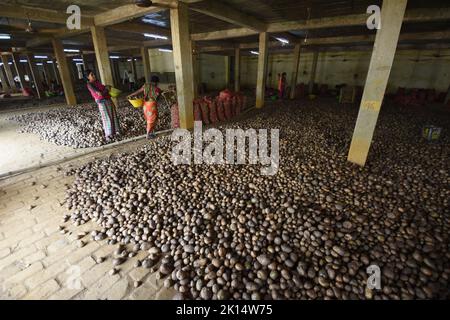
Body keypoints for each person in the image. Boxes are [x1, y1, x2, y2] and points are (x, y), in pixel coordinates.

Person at [85, 69, 120, 142]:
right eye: (91, 75)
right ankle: (108, 135)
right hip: (102, 101)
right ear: (88, 77)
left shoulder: (96, 82)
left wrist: (106, 87)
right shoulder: (90, 84)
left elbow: (103, 88)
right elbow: (100, 94)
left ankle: (116, 132)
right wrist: (107, 89)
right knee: (106, 117)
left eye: (93, 74)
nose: (94, 75)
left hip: (107, 99)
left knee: (113, 115)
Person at [128, 75, 161, 139]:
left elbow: (137, 92)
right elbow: (157, 98)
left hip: (145, 105)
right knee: (152, 119)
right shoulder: (157, 89)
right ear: (156, 82)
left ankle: (151, 133)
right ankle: (148, 134)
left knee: (149, 119)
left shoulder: (145, 86)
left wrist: (130, 95)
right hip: (152, 105)